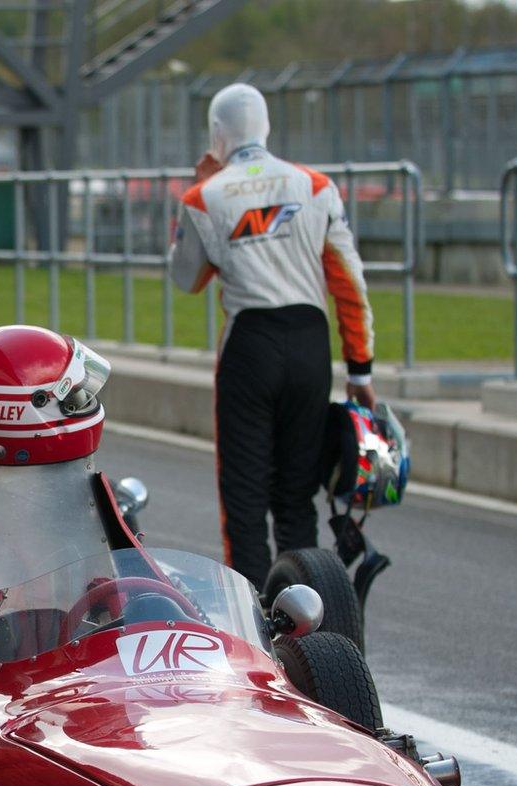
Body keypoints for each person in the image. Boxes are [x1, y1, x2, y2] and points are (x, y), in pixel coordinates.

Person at [168, 82, 376, 592]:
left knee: (243, 497)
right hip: (310, 343)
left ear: (217, 136)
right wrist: (361, 368)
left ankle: (255, 634)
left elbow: (186, 279)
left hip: (250, 347)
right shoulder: (317, 185)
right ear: (266, 127)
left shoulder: (203, 196)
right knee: (296, 495)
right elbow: (349, 282)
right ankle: (304, 618)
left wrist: (194, 198)